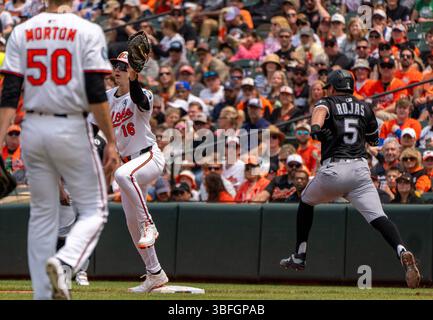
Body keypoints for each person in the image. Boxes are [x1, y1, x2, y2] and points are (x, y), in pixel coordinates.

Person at [0, 0, 119, 300]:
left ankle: (43, 295)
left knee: (41, 215)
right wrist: (112, 140)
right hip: (70, 126)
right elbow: (95, 93)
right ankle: (65, 260)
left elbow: (10, 95)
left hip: (33, 128)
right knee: (95, 210)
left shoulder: (22, 31)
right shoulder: (87, 29)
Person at [279, 70, 420, 289]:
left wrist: (316, 128)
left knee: (306, 202)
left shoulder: (328, 101)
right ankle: (401, 250)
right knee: (379, 218)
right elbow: (374, 139)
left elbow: (320, 112)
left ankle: (300, 254)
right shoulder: (364, 106)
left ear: (333, 87)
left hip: (334, 169)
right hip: (360, 172)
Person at [93, 51, 169, 293]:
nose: (118, 70)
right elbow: (91, 124)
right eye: (116, 65)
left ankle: (150, 224)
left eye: (124, 67)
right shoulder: (106, 97)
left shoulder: (144, 93)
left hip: (148, 157)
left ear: (134, 71)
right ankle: (155, 273)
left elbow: (139, 99)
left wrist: (135, 79)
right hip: (129, 162)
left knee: (123, 176)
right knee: (131, 225)